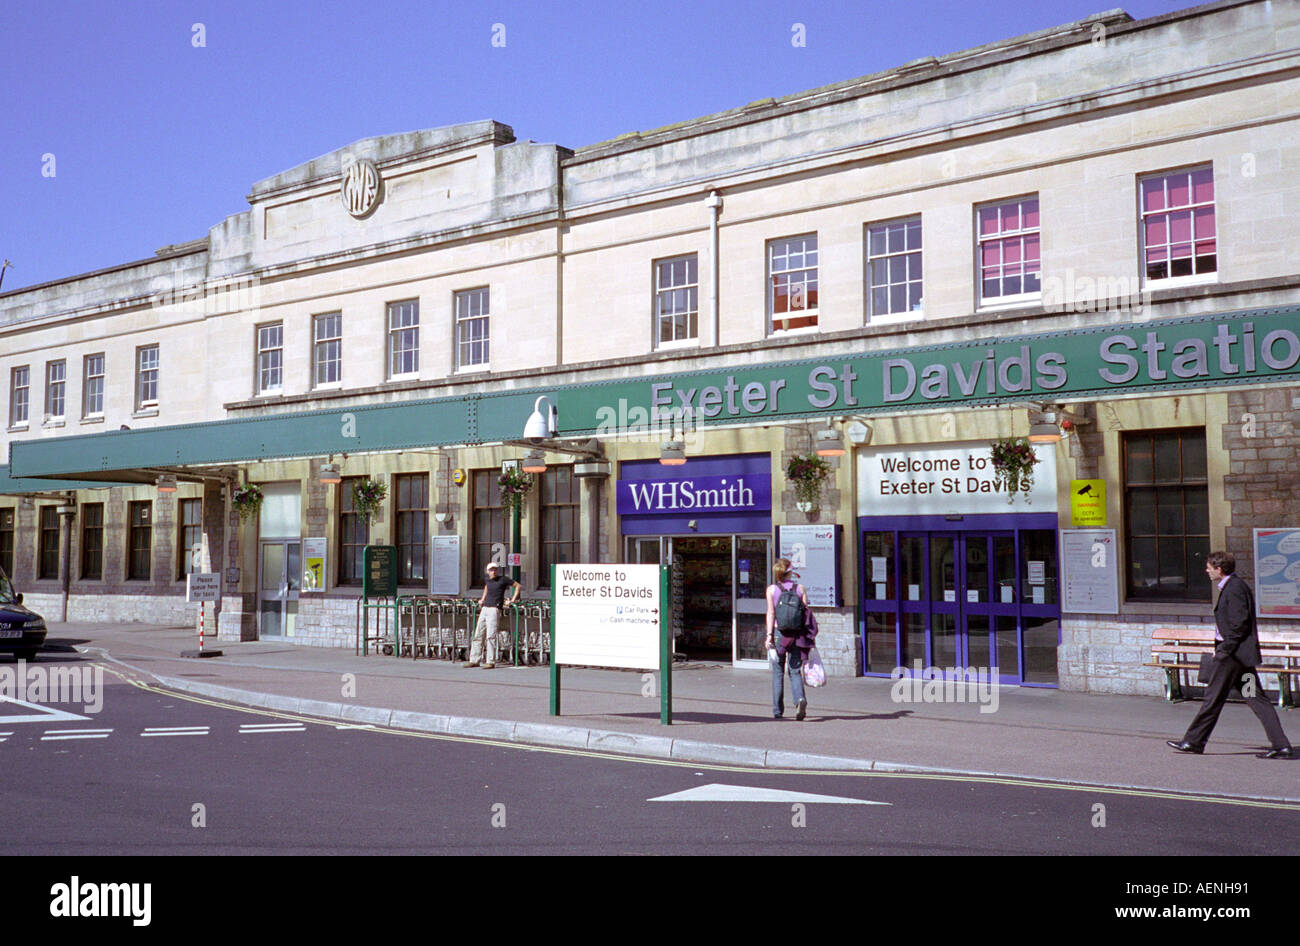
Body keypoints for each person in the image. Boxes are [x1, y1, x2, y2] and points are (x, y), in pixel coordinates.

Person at [1167, 551, 1293, 759]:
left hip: (1231, 658)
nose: (1206, 570)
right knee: (1256, 698)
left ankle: (1193, 741)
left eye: (1209, 567)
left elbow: (1239, 623)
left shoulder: (1234, 589)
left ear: (1220, 569)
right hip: (1241, 659)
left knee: (1212, 698)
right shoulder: (1233, 587)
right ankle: (1281, 745)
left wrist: (1224, 649)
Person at [766, 558, 817, 720]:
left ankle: (777, 710)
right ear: (790, 572)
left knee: (778, 672)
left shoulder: (772, 590)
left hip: (779, 633)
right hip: (797, 634)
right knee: (795, 671)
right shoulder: (800, 588)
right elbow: (806, 612)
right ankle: (799, 699)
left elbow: (771, 613)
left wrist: (768, 636)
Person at [465, 563, 520, 669]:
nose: (493, 571)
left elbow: (518, 585)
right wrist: (482, 599)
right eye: (491, 570)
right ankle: (474, 659)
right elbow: (486, 588)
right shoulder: (488, 580)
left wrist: (512, 600)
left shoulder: (503, 579)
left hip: (495, 608)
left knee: (491, 635)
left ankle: (490, 661)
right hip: (485, 608)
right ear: (487, 571)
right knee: (478, 634)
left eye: (495, 569)